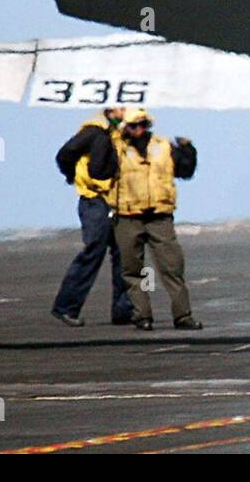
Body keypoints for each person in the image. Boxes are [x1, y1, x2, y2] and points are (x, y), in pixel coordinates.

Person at [107, 108, 202, 331]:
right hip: (127, 216)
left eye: (142, 125)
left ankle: (183, 315)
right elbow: (97, 169)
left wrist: (189, 150)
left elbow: (185, 171)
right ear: (125, 127)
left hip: (160, 216)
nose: (138, 130)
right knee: (132, 270)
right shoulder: (115, 147)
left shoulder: (163, 146)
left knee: (172, 267)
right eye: (133, 125)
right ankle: (142, 316)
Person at [51, 108, 133, 327]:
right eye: (121, 106)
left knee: (124, 252)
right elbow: (65, 154)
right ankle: (66, 306)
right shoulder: (95, 131)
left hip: (118, 200)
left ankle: (123, 310)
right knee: (93, 250)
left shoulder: (121, 133)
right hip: (94, 200)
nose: (124, 111)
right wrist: (74, 177)